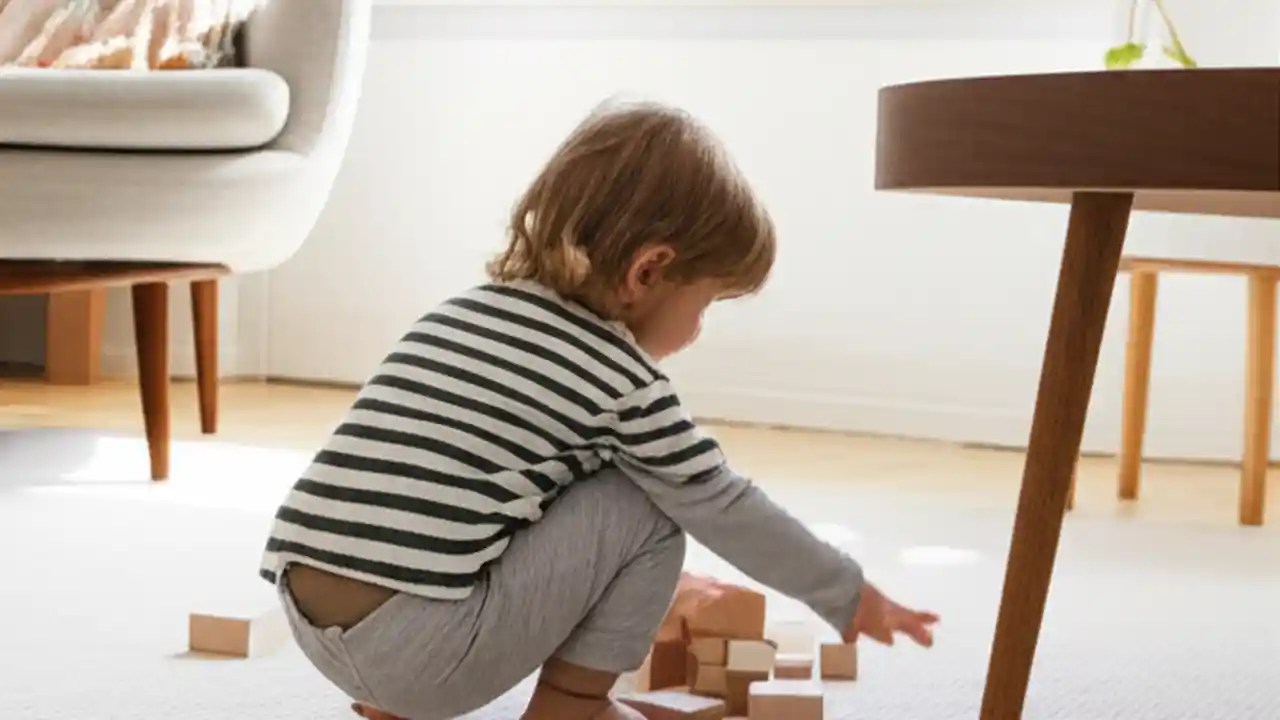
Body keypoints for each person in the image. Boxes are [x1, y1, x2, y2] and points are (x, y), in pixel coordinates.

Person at [258, 100, 939, 720]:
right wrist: (847, 592)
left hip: (310, 622)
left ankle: (394, 701)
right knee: (650, 502)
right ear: (648, 273)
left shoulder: (459, 313)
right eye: (705, 304)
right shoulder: (621, 379)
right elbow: (726, 508)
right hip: (419, 654)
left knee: (534, 486)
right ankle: (574, 708)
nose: (699, 329)